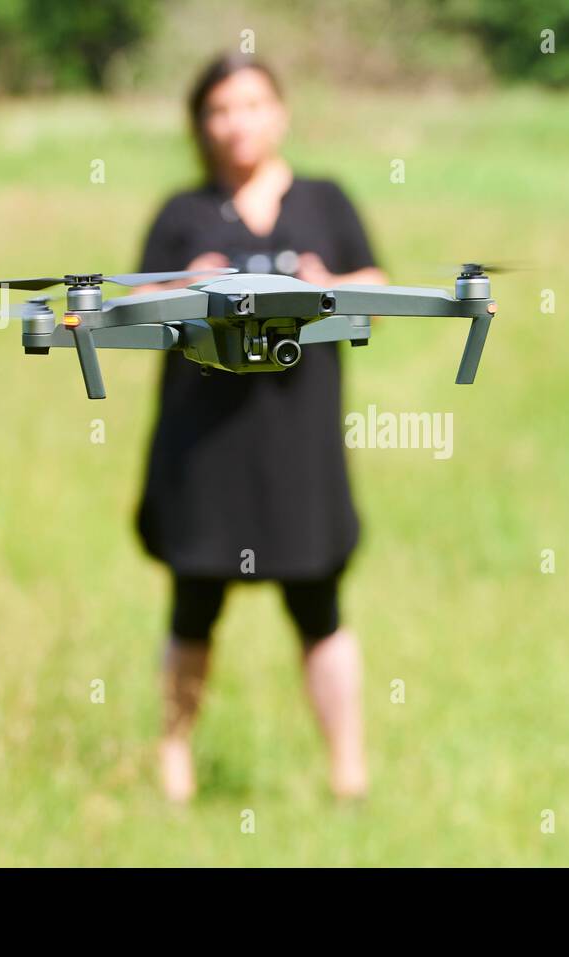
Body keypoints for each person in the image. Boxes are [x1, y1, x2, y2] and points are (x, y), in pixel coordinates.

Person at [135, 53, 386, 802]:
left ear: (279, 113)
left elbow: (378, 287)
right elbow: (130, 306)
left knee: (320, 605)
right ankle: (173, 763)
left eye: (251, 104)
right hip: (203, 445)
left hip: (296, 443)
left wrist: (326, 288)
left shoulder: (326, 200)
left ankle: (349, 772)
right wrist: (187, 285)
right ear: (200, 123)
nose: (236, 122)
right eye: (219, 108)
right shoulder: (182, 215)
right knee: (192, 607)